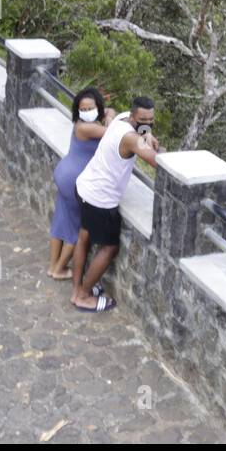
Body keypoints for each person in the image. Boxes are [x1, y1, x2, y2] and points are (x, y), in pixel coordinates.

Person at [70, 96, 161, 313]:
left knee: (84, 237)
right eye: (142, 119)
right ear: (132, 116)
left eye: (150, 120)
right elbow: (155, 160)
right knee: (109, 247)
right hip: (100, 200)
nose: (146, 124)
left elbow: (141, 133)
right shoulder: (130, 138)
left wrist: (148, 134)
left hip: (85, 187)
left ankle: (77, 289)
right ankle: (82, 296)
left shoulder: (121, 119)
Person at [47, 87, 116, 280]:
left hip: (65, 173)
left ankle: (52, 266)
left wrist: (108, 114)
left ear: (97, 107)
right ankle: (59, 269)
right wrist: (109, 119)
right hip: (74, 181)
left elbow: (110, 111)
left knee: (61, 219)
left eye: (90, 108)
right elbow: (113, 134)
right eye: (83, 109)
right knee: (75, 227)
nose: (86, 112)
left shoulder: (81, 124)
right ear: (78, 111)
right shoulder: (86, 127)